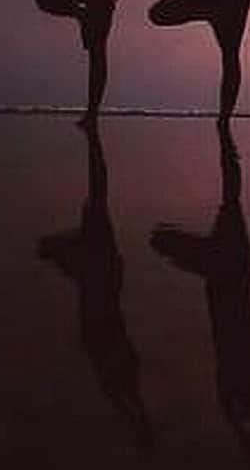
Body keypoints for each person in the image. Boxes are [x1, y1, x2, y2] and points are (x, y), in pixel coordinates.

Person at [150, 123, 250, 466]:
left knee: (224, 207)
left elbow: (235, 400)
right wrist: (249, 434)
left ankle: (227, 145)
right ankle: (227, 145)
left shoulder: (237, 365)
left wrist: (247, 434)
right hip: (229, 274)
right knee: (228, 205)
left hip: (227, 274)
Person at [37, 122, 153, 452]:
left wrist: (137, 418)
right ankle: (94, 144)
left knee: (94, 205)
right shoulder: (111, 359)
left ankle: (94, 142)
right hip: (100, 278)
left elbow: (124, 391)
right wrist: (137, 417)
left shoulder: (110, 358)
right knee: (95, 204)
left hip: (99, 277)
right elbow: (125, 392)